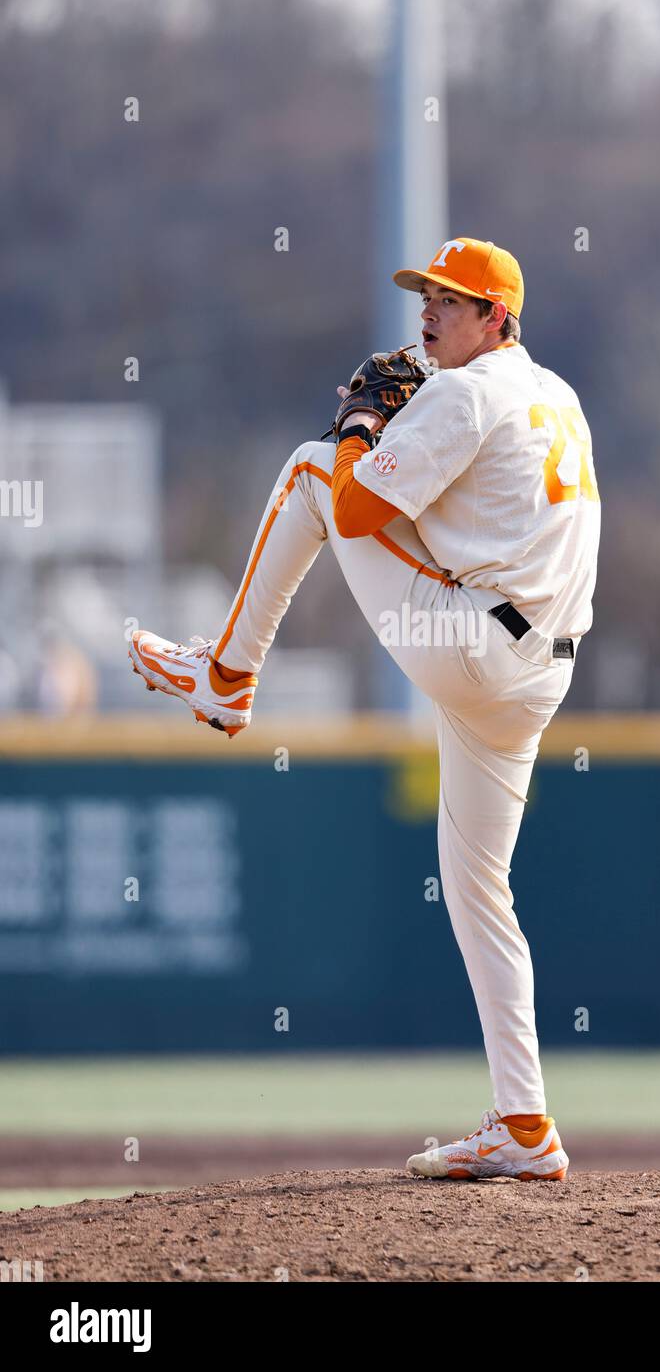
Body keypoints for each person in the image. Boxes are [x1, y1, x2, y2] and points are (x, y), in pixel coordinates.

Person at [129, 237, 601, 1182]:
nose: (429, 311)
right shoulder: (554, 393)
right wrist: (387, 434)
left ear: (495, 319)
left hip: (477, 644)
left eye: (451, 301)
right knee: (478, 891)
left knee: (312, 470)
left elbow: (349, 510)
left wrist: (357, 420)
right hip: (539, 672)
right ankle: (524, 1124)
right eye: (425, 293)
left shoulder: (467, 393)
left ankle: (226, 676)